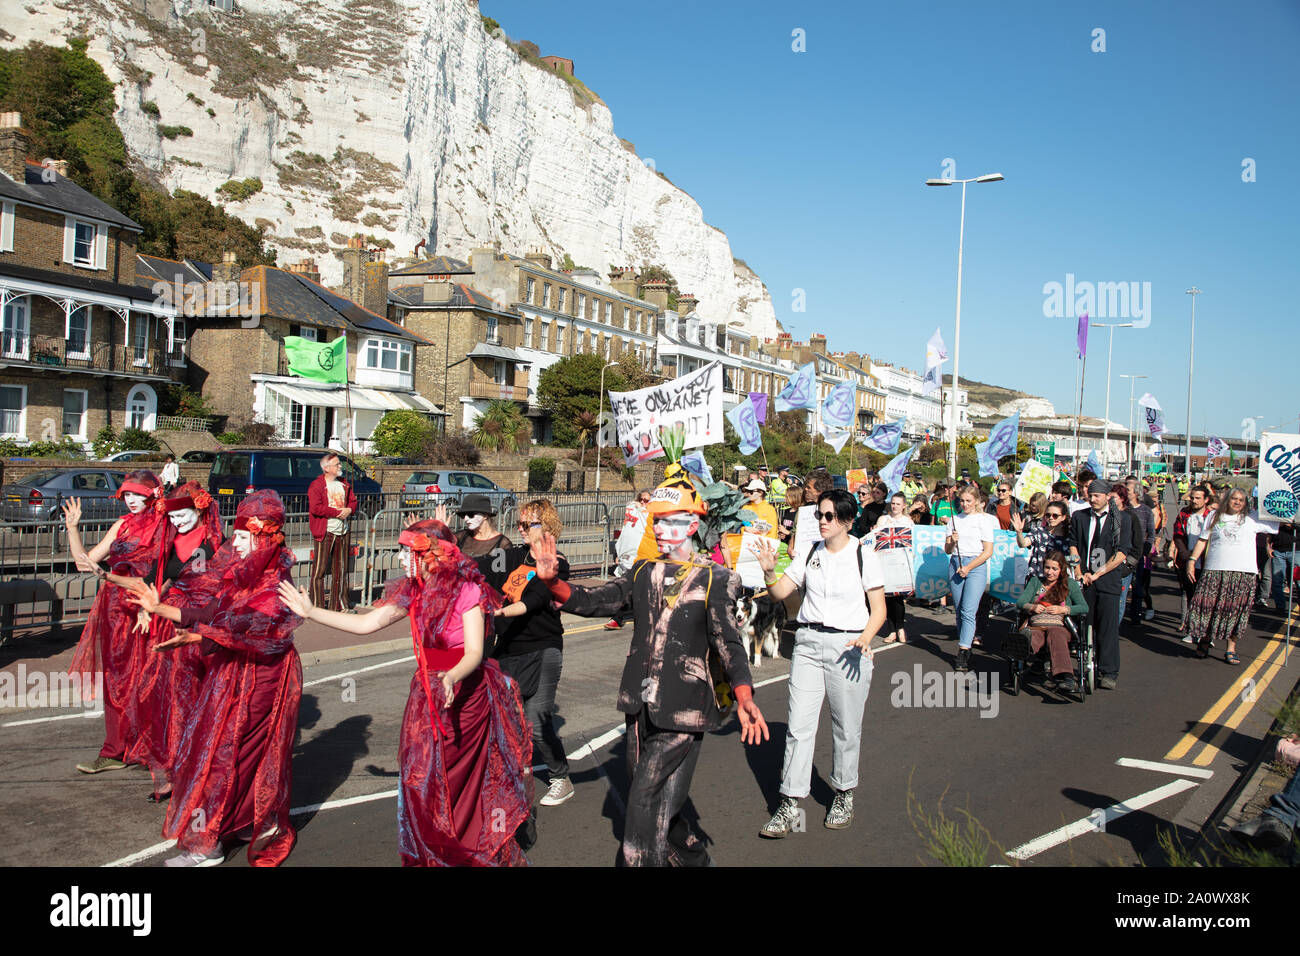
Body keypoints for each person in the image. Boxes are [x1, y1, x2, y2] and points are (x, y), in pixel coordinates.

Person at [527, 479, 769, 866]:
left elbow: (730, 645)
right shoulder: (642, 570)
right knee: (661, 805)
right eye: (655, 521)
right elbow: (596, 601)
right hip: (639, 706)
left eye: (668, 521)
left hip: (684, 709)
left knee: (643, 800)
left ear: (692, 526)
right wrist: (553, 583)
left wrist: (744, 695)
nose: (658, 529)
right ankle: (694, 859)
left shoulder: (717, 580)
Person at [280, 516, 531, 866]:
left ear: (428, 555)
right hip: (427, 694)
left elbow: (475, 651)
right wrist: (311, 612)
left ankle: (469, 848)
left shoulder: (467, 590)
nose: (399, 559)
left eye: (404, 552)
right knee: (422, 780)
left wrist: (451, 676)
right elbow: (366, 624)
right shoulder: (414, 590)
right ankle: (436, 848)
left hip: (466, 697)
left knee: (462, 781)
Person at [134, 490, 303, 866]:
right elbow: (211, 611)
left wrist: (199, 637)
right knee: (228, 751)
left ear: (262, 536)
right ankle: (248, 817)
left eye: (242, 537)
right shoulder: (243, 575)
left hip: (263, 678)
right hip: (234, 671)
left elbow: (258, 632)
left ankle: (208, 842)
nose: (234, 543)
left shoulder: (274, 578)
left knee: (230, 754)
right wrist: (160, 608)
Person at [752, 489, 885, 836]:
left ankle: (843, 793)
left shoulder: (863, 555)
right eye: (819, 516)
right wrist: (768, 572)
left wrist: (866, 638)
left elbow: (879, 609)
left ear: (847, 520)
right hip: (808, 643)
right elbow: (781, 592)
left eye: (828, 516)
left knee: (845, 726)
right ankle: (789, 803)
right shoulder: (811, 552)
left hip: (849, 646)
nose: (822, 522)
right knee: (798, 727)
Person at [109, 480, 224, 800]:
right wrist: (144, 605)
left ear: (199, 509)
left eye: (183, 515)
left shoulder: (216, 544)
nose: (177, 523)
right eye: (172, 518)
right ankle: (168, 769)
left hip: (198, 628)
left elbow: (217, 589)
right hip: (166, 627)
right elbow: (155, 580)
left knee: (192, 700)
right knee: (160, 696)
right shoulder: (172, 543)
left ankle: (192, 769)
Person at [64, 471, 165, 774]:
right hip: (112, 609)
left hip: (144, 608)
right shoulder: (120, 525)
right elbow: (86, 563)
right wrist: (72, 529)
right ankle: (115, 749)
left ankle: (153, 750)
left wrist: (150, 606)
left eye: (138, 494)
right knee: (115, 679)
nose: (132, 500)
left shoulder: (165, 526)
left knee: (147, 679)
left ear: (153, 495)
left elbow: (166, 572)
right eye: (127, 495)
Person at [485, 499, 574, 817]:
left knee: (536, 720)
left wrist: (500, 611)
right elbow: (480, 566)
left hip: (543, 648)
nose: (520, 529)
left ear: (547, 526)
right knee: (502, 717)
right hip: (508, 649)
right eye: (520, 524)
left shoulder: (556, 562)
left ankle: (560, 776)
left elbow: (536, 599)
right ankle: (505, 775)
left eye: (528, 524)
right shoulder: (513, 556)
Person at [1187, 489, 1275, 665]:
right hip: (1215, 570)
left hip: (1243, 573)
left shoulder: (1253, 517)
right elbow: (1203, 540)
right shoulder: (1213, 515)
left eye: (1241, 500)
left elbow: (1278, 520)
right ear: (1227, 500)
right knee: (1207, 608)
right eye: (1234, 499)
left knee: (1235, 612)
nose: (1237, 502)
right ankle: (1205, 640)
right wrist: (1192, 560)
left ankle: (1231, 649)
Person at [1069, 480, 1133, 690]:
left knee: (1107, 626)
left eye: (1097, 495)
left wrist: (1098, 574)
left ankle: (1109, 671)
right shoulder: (1080, 517)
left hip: (1107, 579)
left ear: (1107, 496)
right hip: (1084, 577)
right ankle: (1083, 661)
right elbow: (1074, 545)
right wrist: (1079, 572)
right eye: (1090, 495)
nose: (1092, 499)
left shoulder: (1122, 519)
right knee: (1084, 622)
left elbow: (1122, 552)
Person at [1012, 551, 1088, 694]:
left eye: (1054, 569)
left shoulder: (1069, 584)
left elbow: (1084, 607)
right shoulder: (1036, 582)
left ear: (1061, 569)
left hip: (1059, 625)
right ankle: (1022, 647)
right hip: (1037, 625)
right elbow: (1021, 602)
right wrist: (1032, 606)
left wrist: (1063, 609)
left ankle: (1067, 678)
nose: (1050, 572)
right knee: (1033, 635)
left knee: (1055, 634)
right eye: (1047, 568)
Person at [945, 486, 995, 672]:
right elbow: (947, 550)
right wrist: (952, 541)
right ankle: (966, 643)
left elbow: (988, 551)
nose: (965, 504)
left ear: (976, 501)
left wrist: (969, 567)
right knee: (958, 610)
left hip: (975, 566)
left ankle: (963, 650)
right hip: (956, 564)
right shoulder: (954, 520)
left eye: (968, 501)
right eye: (962, 501)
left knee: (968, 610)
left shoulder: (983, 521)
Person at [308, 452, 356, 611]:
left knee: (340, 569)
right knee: (320, 569)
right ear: (327, 468)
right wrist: (336, 512)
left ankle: (339, 604)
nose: (340, 466)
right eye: (337, 464)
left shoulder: (344, 484)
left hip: (342, 531)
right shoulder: (316, 485)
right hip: (326, 530)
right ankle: (317, 605)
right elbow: (315, 508)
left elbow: (353, 502)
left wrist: (349, 509)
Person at [1172, 485, 1215, 641]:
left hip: (1207, 563)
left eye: (1198, 498)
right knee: (1191, 598)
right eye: (1193, 497)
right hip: (1187, 562)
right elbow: (1177, 534)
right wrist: (1184, 554)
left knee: (1207, 600)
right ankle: (1192, 630)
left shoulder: (1212, 516)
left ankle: (1206, 634)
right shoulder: (1184, 514)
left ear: (1206, 499)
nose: (1194, 501)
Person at [873, 492, 914, 644]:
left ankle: (900, 627)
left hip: (901, 563)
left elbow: (912, 541)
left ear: (904, 506)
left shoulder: (907, 521)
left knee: (898, 598)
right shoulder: (883, 519)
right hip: (884, 562)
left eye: (898, 504)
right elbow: (875, 537)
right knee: (887, 597)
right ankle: (891, 631)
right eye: (893, 503)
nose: (895, 506)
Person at [1012, 500, 1071, 582]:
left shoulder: (1069, 537)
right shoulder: (1038, 531)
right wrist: (1019, 532)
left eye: (1055, 516)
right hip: (1036, 579)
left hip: (1059, 582)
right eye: (1048, 515)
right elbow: (1023, 544)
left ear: (1063, 517)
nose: (1051, 518)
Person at [454, 492, 512, 561]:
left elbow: (503, 570)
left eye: (470, 514)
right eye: (463, 515)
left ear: (485, 515)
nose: (466, 519)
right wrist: (441, 529)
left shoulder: (502, 543)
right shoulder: (461, 536)